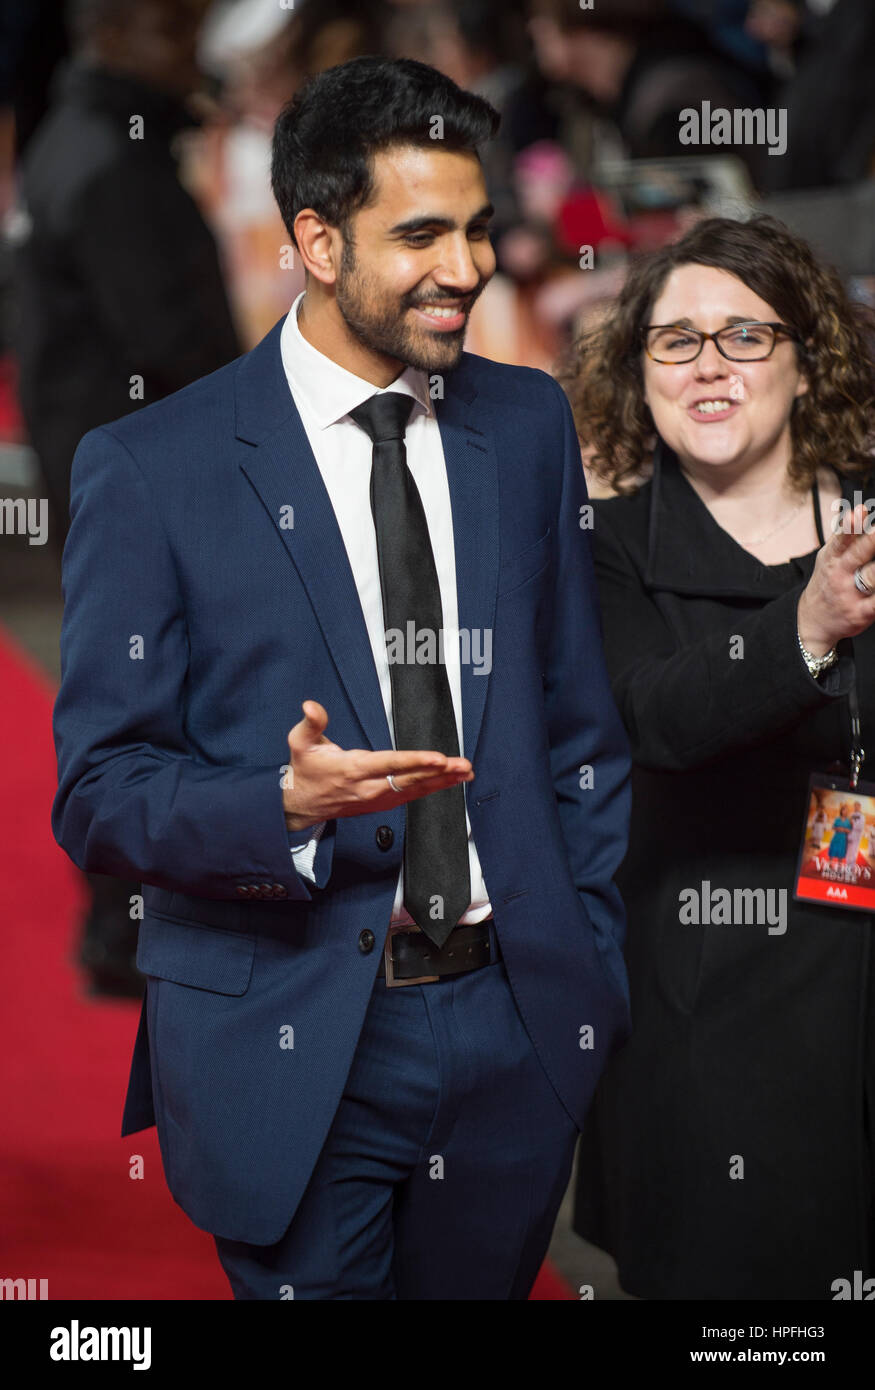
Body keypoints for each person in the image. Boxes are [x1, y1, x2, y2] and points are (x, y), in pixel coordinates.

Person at [51, 55, 632, 1301]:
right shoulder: (152, 467)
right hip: (293, 1030)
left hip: (512, 1026)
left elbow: (580, 725)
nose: (466, 267)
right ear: (315, 240)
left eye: (477, 228)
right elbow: (97, 790)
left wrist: (580, 969)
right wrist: (280, 807)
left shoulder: (526, 426)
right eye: (419, 233)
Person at [559, 213, 875, 1299]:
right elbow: (653, 714)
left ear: (805, 357)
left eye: (744, 336)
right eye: (674, 340)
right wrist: (807, 624)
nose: (708, 364)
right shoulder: (606, 551)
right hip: (713, 1002)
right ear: (635, 371)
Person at [16, 0, 242, 998]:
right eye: (169, 24)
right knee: (148, 697)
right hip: (137, 470)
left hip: (102, 459)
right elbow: (171, 337)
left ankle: (130, 919)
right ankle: (129, 925)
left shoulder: (81, 133)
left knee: (133, 688)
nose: (191, 42)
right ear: (112, 32)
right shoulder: (108, 153)